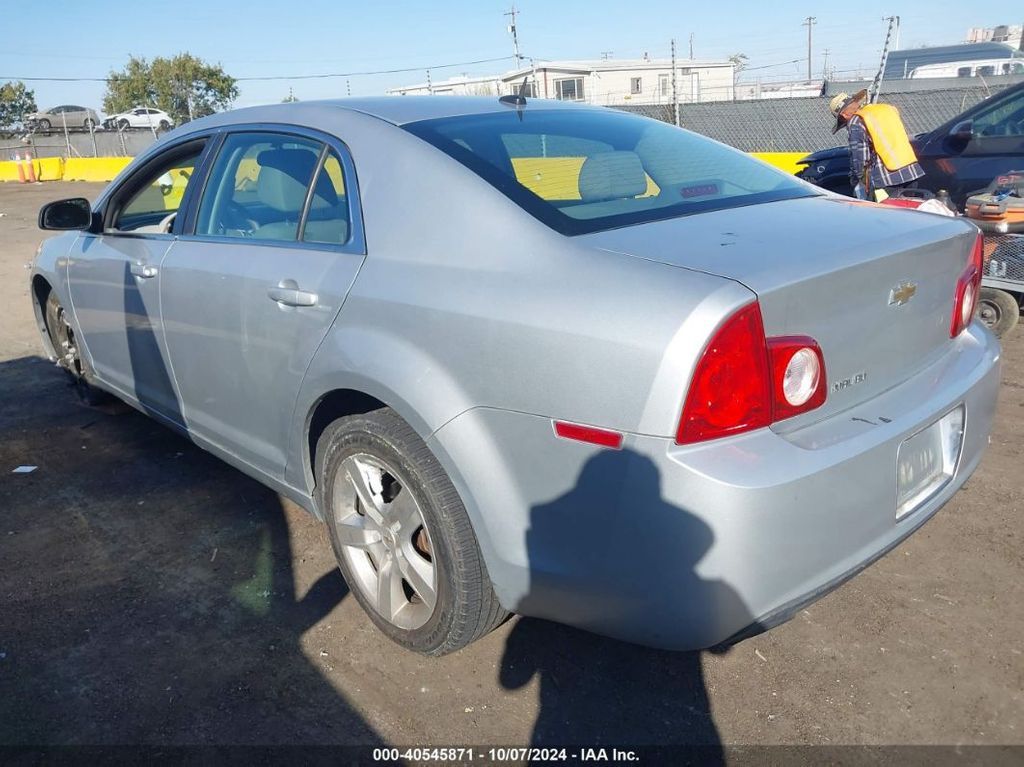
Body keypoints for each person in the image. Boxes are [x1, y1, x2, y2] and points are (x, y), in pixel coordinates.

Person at [830, 89, 924, 201]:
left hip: (888, 179)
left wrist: (857, 181)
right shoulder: (885, 109)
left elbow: (860, 159)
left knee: (887, 215)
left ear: (844, 115)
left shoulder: (856, 122)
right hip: (911, 170)